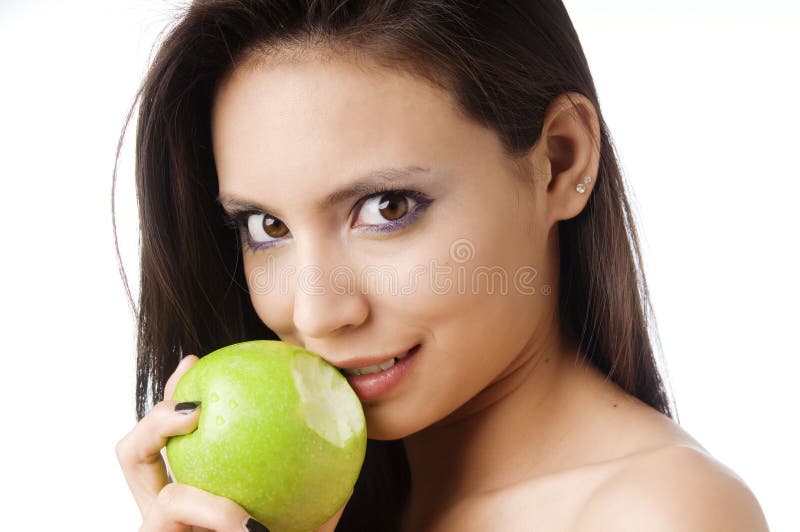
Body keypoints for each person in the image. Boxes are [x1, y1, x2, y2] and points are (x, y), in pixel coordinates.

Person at [114, 1, 770, 530]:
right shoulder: (327, 510)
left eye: (388, 207)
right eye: (267, 227)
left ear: (560, 162)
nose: (316, 313)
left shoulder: (661, 516)